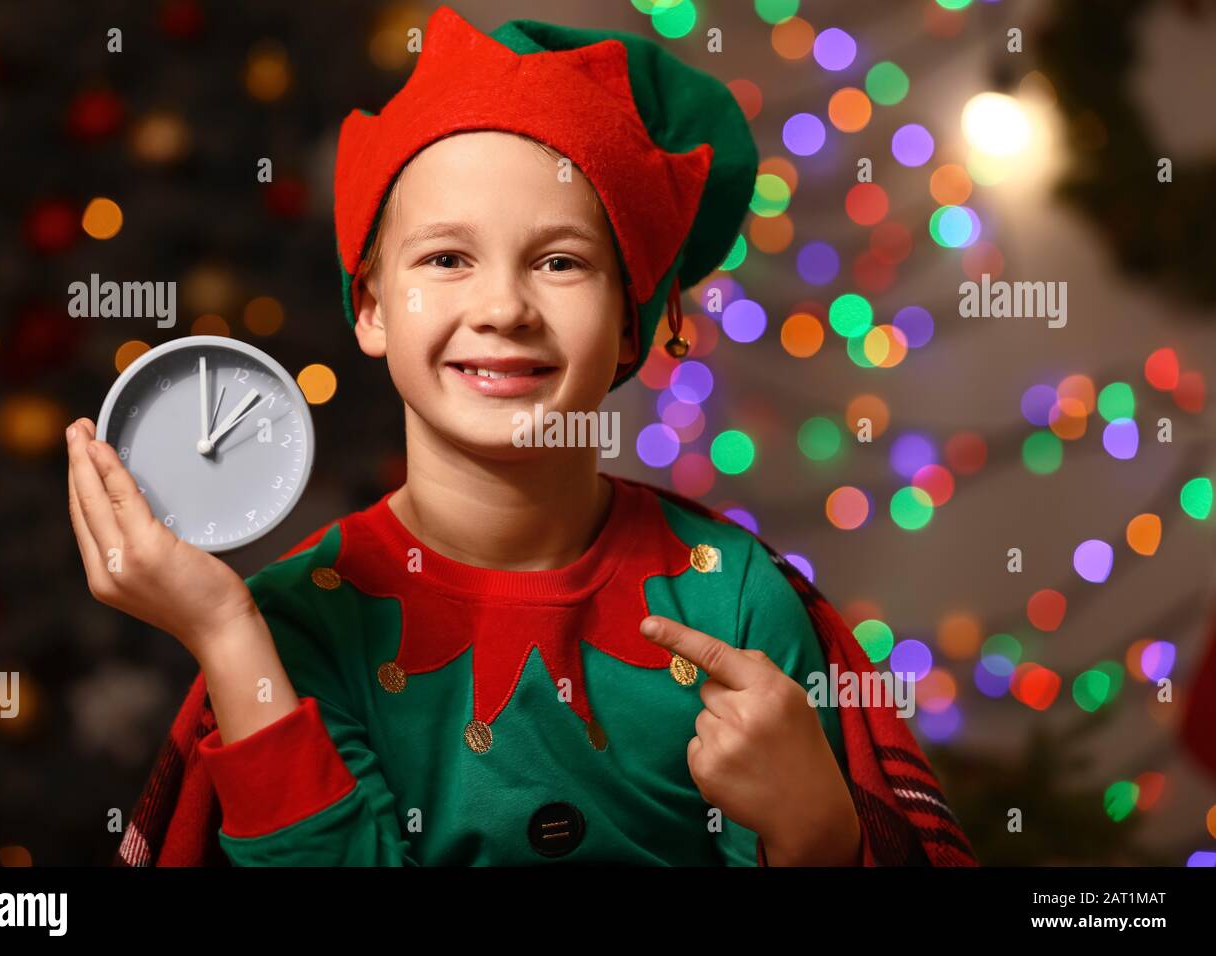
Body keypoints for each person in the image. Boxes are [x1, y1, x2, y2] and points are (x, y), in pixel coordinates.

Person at [66, 4, 975, 866]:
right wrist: (227, 635)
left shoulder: (735, 604)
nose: (502, 308)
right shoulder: (299, 623)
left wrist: (814, 831)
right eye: (447, 259)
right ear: (373, 305)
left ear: (633, 320)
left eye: (561, 262)